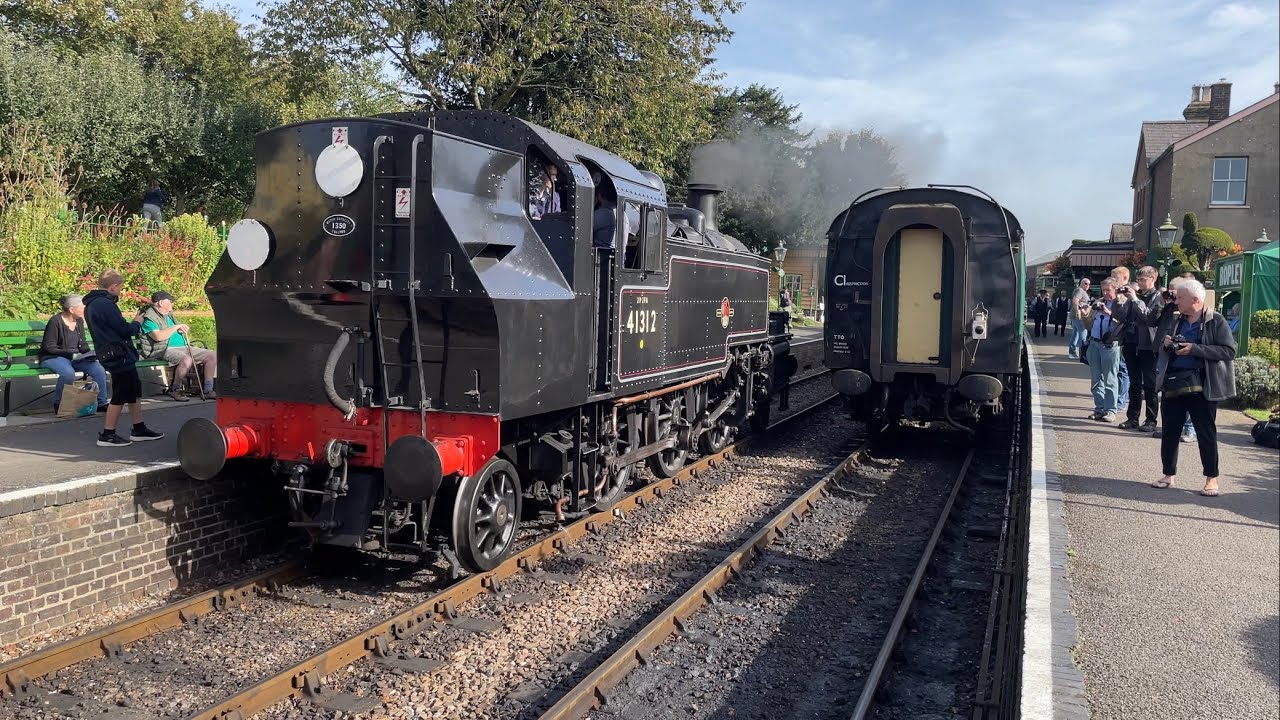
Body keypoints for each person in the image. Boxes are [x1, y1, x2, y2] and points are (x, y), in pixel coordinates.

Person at [1149, 277, 1235, 496]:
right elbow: (1162, 346)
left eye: (1181, 298)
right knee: (1170, 431)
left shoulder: (1216, 320)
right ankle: (1168, 475)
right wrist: (1167, 345)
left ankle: (1211, 479)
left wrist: (1195, 349)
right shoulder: (1177, 319)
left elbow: (1228, 351)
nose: (1176, 301)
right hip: (1174, 381)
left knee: (1206, 433)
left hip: (1202, 387)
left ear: (1195, 299)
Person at [83, 269, 164, 447]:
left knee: (133, 391)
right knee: (120, 394)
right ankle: (107, 434)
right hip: (119, 355)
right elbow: (124, 330)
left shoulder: (92, 304)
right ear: (113, 286)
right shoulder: (105, 304)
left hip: (112, 353)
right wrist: (137, 322)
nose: (120, 291)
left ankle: (139, 428)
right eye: (120, 287)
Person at [38, 294, 109, 414]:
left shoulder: (79, 321)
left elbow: (83, 344)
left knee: (98, 369)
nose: (84, 310)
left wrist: (90, 353)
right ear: (72, 309)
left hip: (76, 357)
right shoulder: (55, 321)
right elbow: (49, 347)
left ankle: (101, 403)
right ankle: (59, 404)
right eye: (82, 308)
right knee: (68, 373)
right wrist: (71, 355)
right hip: (54, 357)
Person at [140, 291, 216, 400]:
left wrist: (181, 329)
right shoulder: (149, 318)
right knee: (186, 360)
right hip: (163, 349)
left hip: (184, 346)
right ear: (161, 303)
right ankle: (175, 389)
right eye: (170, 301)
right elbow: (158, 337)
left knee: (212, 355)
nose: (172, 304)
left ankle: (208, 389)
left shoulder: (169, 315)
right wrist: (176, 327)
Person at [1114, 266, 1161, 431]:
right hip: (1131, 343)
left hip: (1148, 346)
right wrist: (1119, 299)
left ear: (1153, 279)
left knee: (1149, 384)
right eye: (1139, 279)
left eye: (1143, 280)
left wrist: (1134, 299)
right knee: (1134, 383)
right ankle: (1132, 418)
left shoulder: (1159, 296)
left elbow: (1149, 317)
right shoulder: (1134, 295)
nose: (1140, 283)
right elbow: (1119, 316)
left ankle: (1151, 420)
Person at [1084, 278, 1124, 422]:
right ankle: (1099, 408)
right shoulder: (1098, 302)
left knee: (1110, 379)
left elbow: (1123, 323)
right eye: (1103, 290)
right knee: (1096, 379)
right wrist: (1085, 314)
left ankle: (1111, 410)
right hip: (1094, 343)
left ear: (1116, 289)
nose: (1105, 293)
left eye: (1108, 290)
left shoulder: (1121, 304)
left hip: (1110, 345)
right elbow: (1089, 325)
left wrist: (1108, 313)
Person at [1068, 278, 1091, 358]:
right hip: (1079, 316)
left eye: (1088, 284)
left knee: (1075, 334)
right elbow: (1075, 300)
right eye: (1085, 283)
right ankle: (1083, 354)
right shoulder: (1080, 290)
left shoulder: (1082, 291)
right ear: (1081, 283)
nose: (1087, 285)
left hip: (1078, 316)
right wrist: (1078, 310)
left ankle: (1072, 352)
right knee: (1083, 334)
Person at [592, 183, 617, 249]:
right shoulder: (623, 214)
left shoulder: (602, 213)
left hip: (600, 255)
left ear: (599, 196)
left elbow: (583, 228)